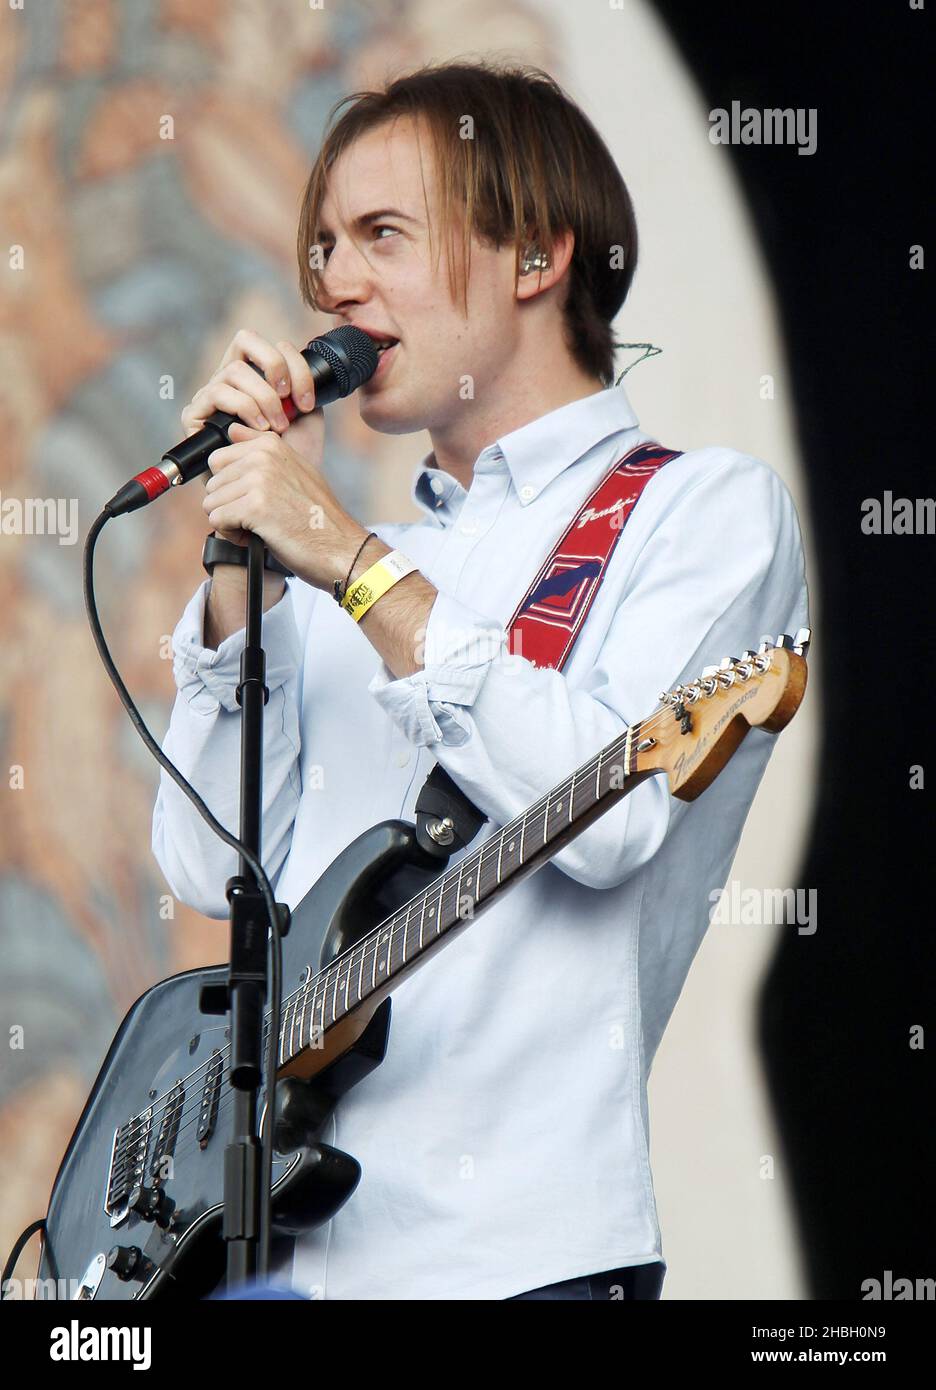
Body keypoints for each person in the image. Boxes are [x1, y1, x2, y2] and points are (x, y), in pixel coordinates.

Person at [152, 59, 809, 1300]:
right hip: (269, 1257)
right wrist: (242, 581)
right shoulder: (362, 564)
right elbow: (204, 870)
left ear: (534, 259)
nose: (333, 284)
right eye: (325, 248)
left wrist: (346, 560)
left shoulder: (699, 510)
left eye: (381, 236)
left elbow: (608, 831)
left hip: (511, 1257)